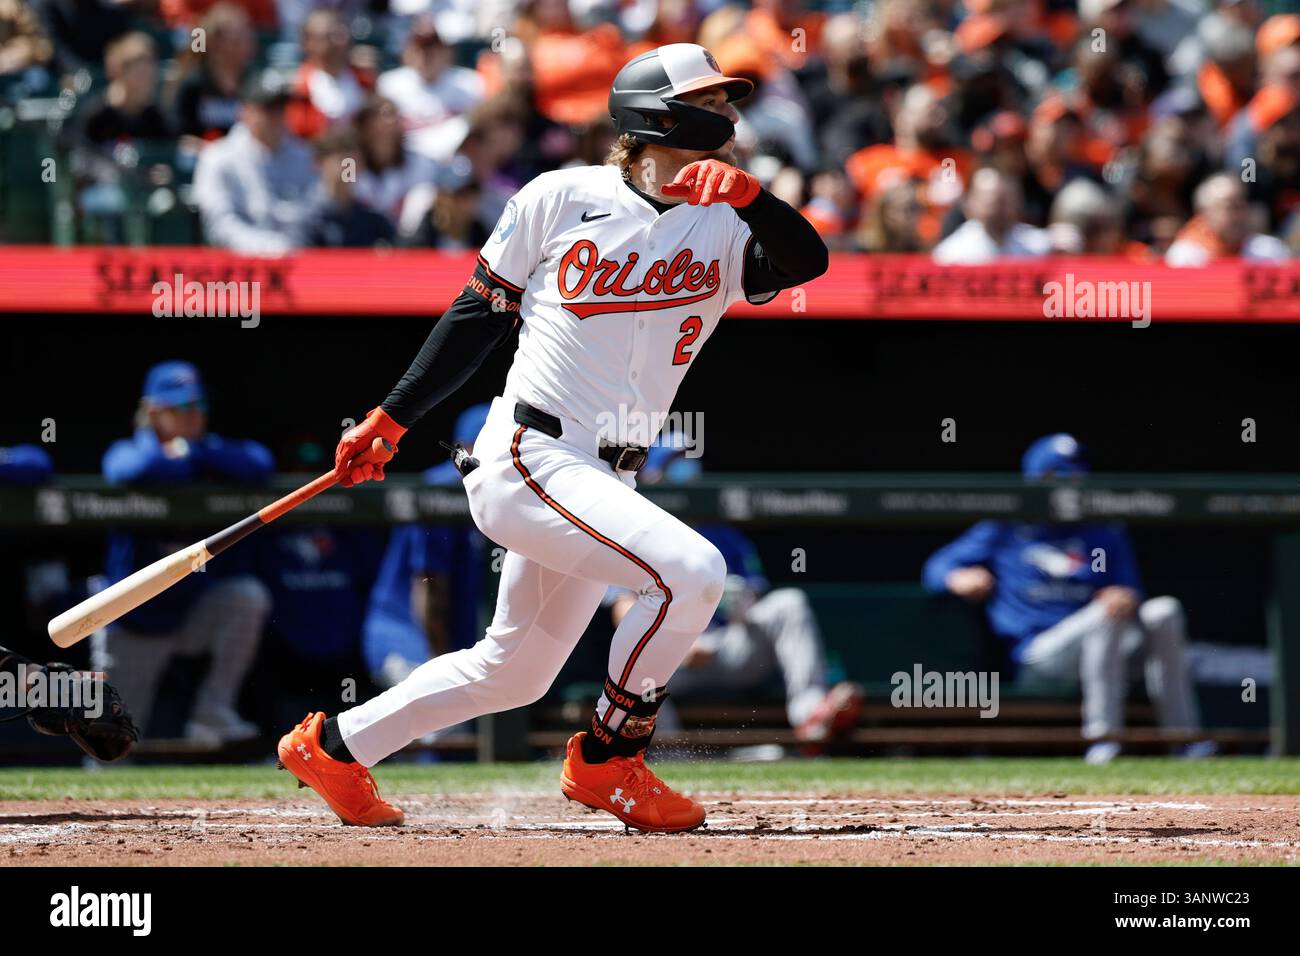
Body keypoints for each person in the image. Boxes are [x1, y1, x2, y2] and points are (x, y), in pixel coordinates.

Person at [275, 42, 829, 833]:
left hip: (607, 480)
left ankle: (333, 745)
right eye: (711, 103)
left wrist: (753, 199)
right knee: (693, 572)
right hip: (533, 454)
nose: (730, 115)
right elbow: (476, 316)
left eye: (727, 102)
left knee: (513, 672)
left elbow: (809, 260)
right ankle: (611, 760)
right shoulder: (562, 195)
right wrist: (392, 417)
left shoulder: (725, 219)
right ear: (656, 115)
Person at [922, 434, 1206, 764]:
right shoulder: (1006, 524)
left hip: (1106, 649)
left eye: (1076, 475)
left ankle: (1185, 741)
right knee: (1103, 614)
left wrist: (1123, 596)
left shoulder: (1101, 529)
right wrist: (959, 577)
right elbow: (936, 567)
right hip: (1040, 655)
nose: (1071, 484)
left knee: (1164, 611)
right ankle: (1104, 741)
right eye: (1059, 476)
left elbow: (1130, 592)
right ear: (1036, 481)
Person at [609, 443, 863, 751]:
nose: (685, 471)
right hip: (673, 658)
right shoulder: (636, 534)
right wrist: (677, 641)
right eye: (673, 464)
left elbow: (756, 599)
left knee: (789, 602)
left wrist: (741, 604)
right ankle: (665, 760)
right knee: (638, 660)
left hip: (728, 647)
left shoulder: (725, 535)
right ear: (652, 476)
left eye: (686, 462)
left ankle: (811, 715)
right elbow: (622, 607)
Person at [92, 361, 274, 742]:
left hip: (194, 609)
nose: (193, 416)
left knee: (247, 596)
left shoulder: (202, 451)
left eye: (198, 406)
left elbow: (259, 462)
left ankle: (213, 712)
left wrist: (190, 451)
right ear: (152, 410)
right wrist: (161, 443)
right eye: (181, 408)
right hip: (135, 620)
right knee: (110, 740)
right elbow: (130, 468)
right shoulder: (129, 450)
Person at [361, 403, 491, 690]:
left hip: (461, 644)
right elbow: (430, 590)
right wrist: (444, 676)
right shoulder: (442, 486)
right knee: (442, 724)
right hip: (407, 637)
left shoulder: (505, 488)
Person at [192, 69, 317, 252]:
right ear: (245, 111)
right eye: (268, 108)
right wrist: (270, 249)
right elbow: (219, 225)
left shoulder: (305, 156)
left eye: (281, 108)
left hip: (299, 266)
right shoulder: (217, 158)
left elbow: (314, 215)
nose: (276, 116)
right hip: (239, 272)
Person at [376, 16, 484, 164]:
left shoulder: (469, 83)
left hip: (455, 164)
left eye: (432, 49)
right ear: (406, 52)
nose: (425, 56)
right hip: (406, 163)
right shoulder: (389, 85)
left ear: (447, 52)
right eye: (419, 49)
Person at [302, 126, 397, 248]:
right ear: (319, 163)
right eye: (342, 159)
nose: (349, 167)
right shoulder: (308, 220)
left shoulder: (376, 222)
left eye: (354, 160)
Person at [1165, 172, 1289, 264]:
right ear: (1205, 213)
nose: (1238, 216)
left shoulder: (1269, 250)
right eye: (1229, 207)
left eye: (1241, 206)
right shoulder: (1186, 254)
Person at [932, 166, 1049, 263]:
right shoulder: (953, 254)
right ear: (972, 203)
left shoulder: (1035, 244)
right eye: (993, 201)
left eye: (1004, 200)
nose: (999, 209)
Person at [75, 31, 172, 145]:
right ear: (119, 72)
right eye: (140, 75)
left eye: (149, 75)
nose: (147, 82)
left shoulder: (156, 117)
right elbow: (83, 154)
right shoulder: (95, 116)